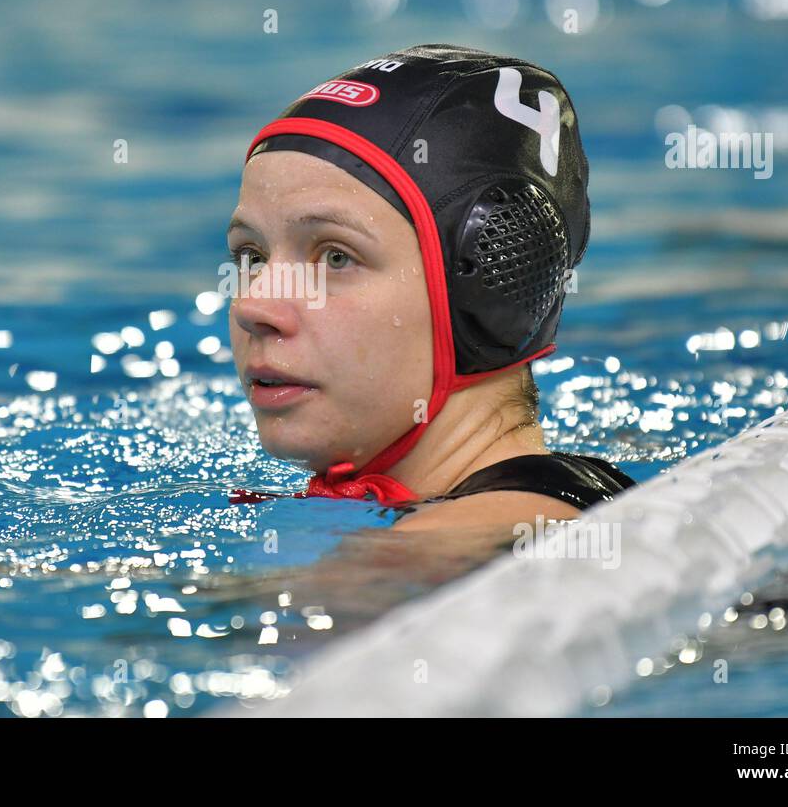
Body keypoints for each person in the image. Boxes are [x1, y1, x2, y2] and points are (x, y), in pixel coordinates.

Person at [225, 44, 635, 531]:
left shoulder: (484, 534)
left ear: (492, 285)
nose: (253, 305)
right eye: (252, 256)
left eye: (335, 257)